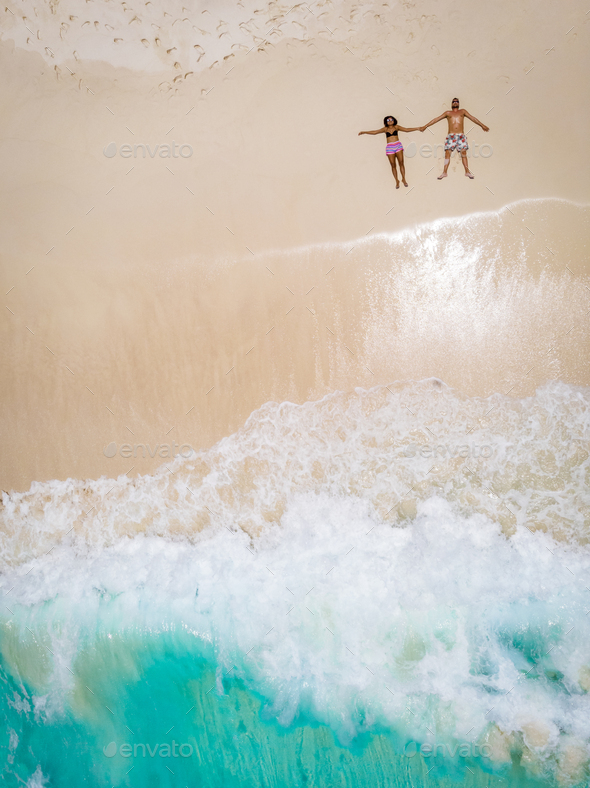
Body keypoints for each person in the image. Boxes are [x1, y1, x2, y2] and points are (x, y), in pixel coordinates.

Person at [419, 98, 489, 179]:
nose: (455, 103)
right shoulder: (448, 113)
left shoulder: (463, 111)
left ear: (459, 103)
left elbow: (473, 118)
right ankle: (444, 172)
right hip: (451, 136)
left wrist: (482, 125)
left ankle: (467, 172)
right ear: (451, 103)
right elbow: (436, 119)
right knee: (447, 154)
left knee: (463, 154)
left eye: (457, 101)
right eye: (453, 101)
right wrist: (425, 126)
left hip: (461, 136)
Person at [358, 116, 422, 188]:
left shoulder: (396, 127)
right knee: (393, 165)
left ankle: (404, 179)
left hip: (398, 145)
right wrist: (364, 132)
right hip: (390, 147)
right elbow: (375, 132)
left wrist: (418, 128)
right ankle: (397, 181)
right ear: (386, 122)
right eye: (388, 120)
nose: (390, 121)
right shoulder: (385, 129)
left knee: (401, 163)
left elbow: (406, 129)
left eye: (391, 119)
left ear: (394, 120)